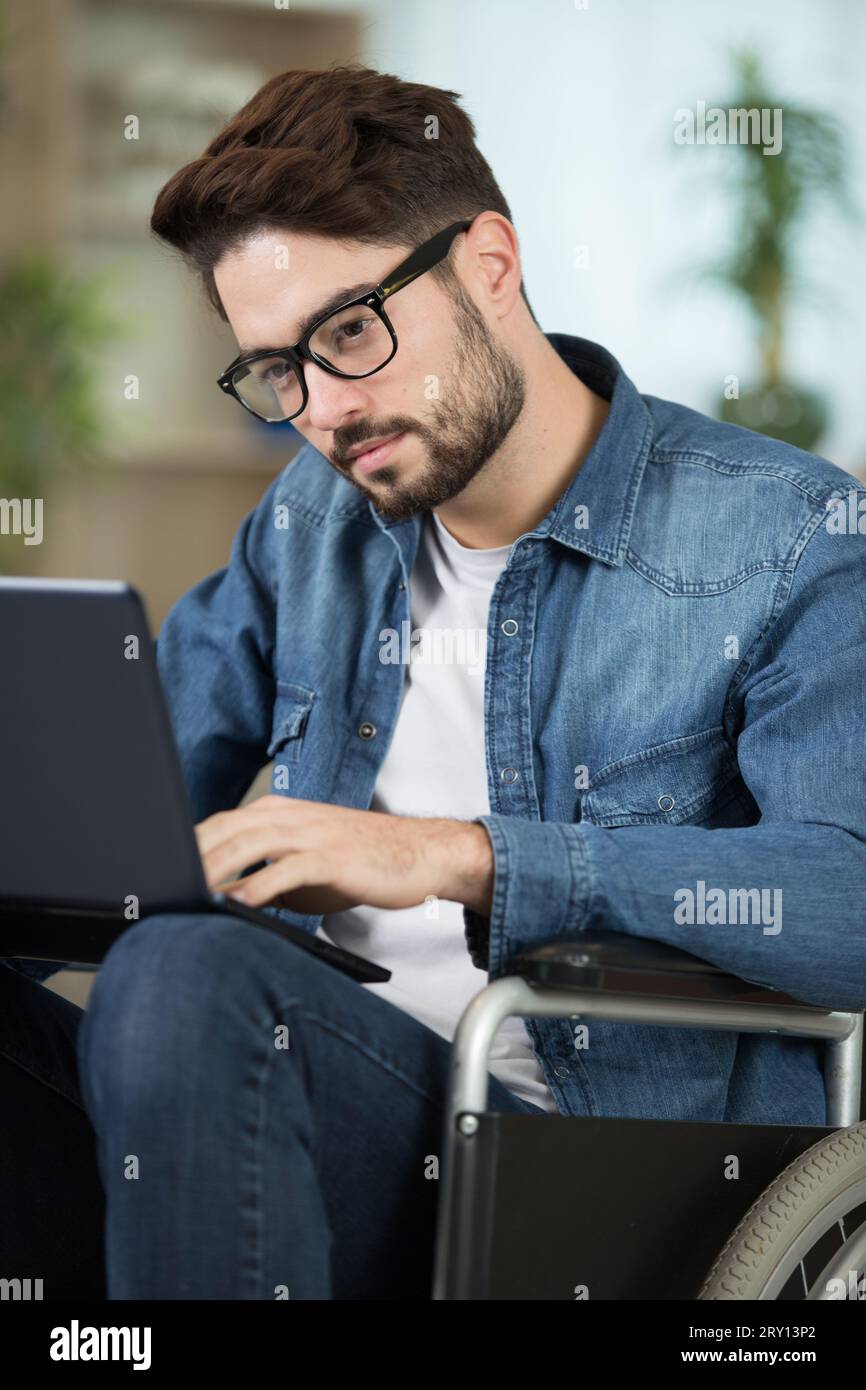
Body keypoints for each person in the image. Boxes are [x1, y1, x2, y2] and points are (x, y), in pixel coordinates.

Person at [4, 63, 865, 1300]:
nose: (325, 411)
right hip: (287, 1134)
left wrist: (465, 858)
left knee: (186, 973)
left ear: (490, 265)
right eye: (275, 371)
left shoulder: (786, 535)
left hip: (589, 1175)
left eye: (351, 330)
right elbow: (115, 813)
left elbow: (845, 896)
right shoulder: (311, 521)